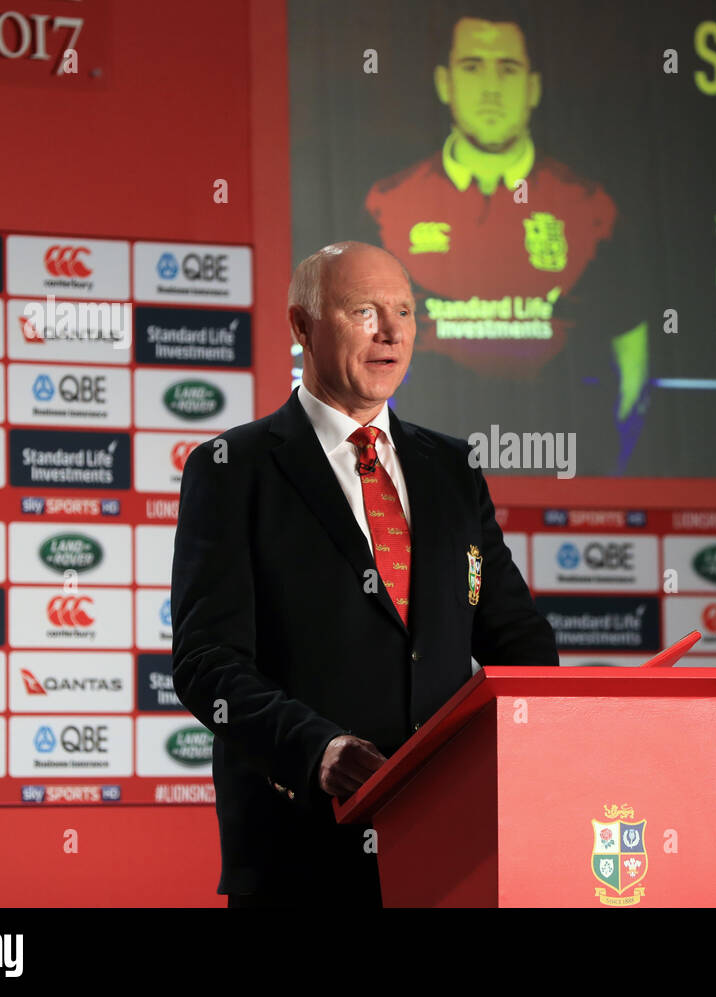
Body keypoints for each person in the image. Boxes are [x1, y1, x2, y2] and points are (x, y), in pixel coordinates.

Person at [170, 241, 558, 908]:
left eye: (404, 311)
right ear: (301, 326)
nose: (391, 332)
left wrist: (563, 728)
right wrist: (320, 749)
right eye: (363, 311)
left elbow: (515, 638)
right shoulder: (233, 468)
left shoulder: (453, 469)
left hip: (451, 846)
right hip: (299, 856)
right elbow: (208, 661)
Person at [362, 8, 652, 475]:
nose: (492, 87)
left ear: (532, 88)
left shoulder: (592, 208)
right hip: (414, 476)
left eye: (509, 69)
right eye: (473, 67)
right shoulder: (385, 205)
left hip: (566, 470)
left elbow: (634, 371)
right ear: (445, 83)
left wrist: (608, 471)